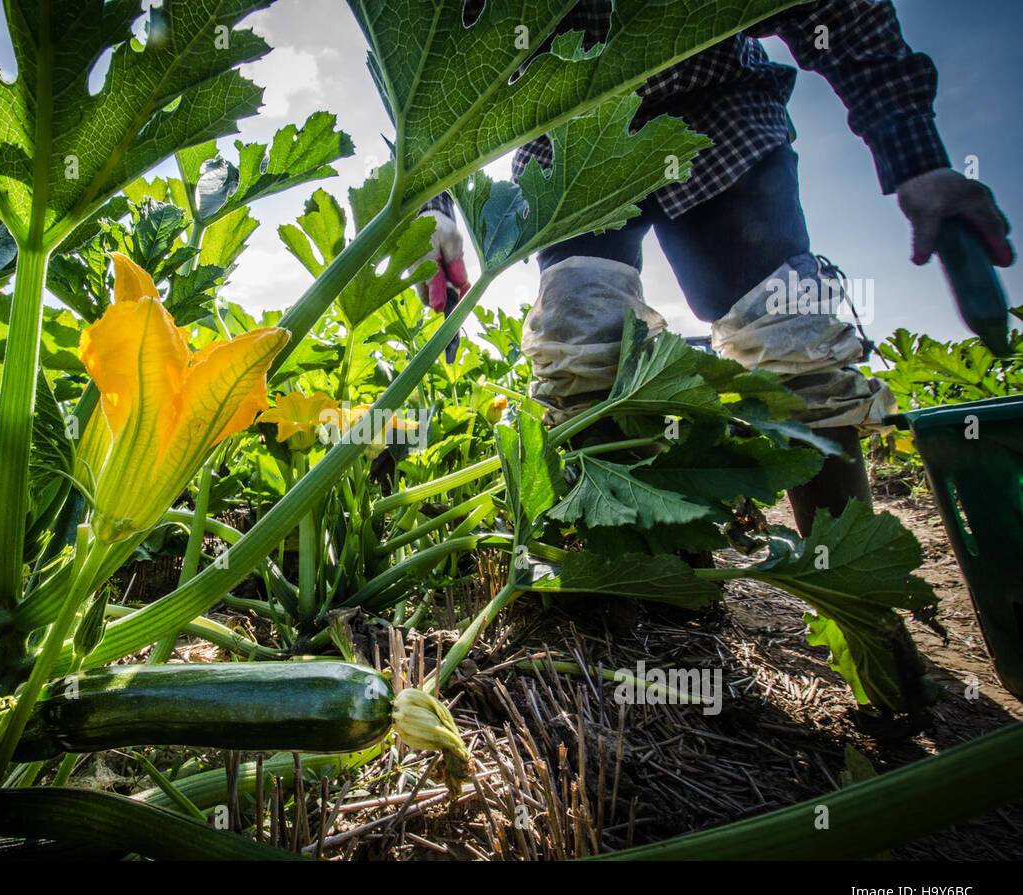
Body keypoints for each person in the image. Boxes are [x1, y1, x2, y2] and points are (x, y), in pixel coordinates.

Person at [417, 0, 1013, 534]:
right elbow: (442, 59)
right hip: (569, 129)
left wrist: (919, 160)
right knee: (582, 344)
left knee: (791, 337)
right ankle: (651, 563)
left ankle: (848, 576)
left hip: (716, 109)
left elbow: (840, 12)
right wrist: (433, 205)